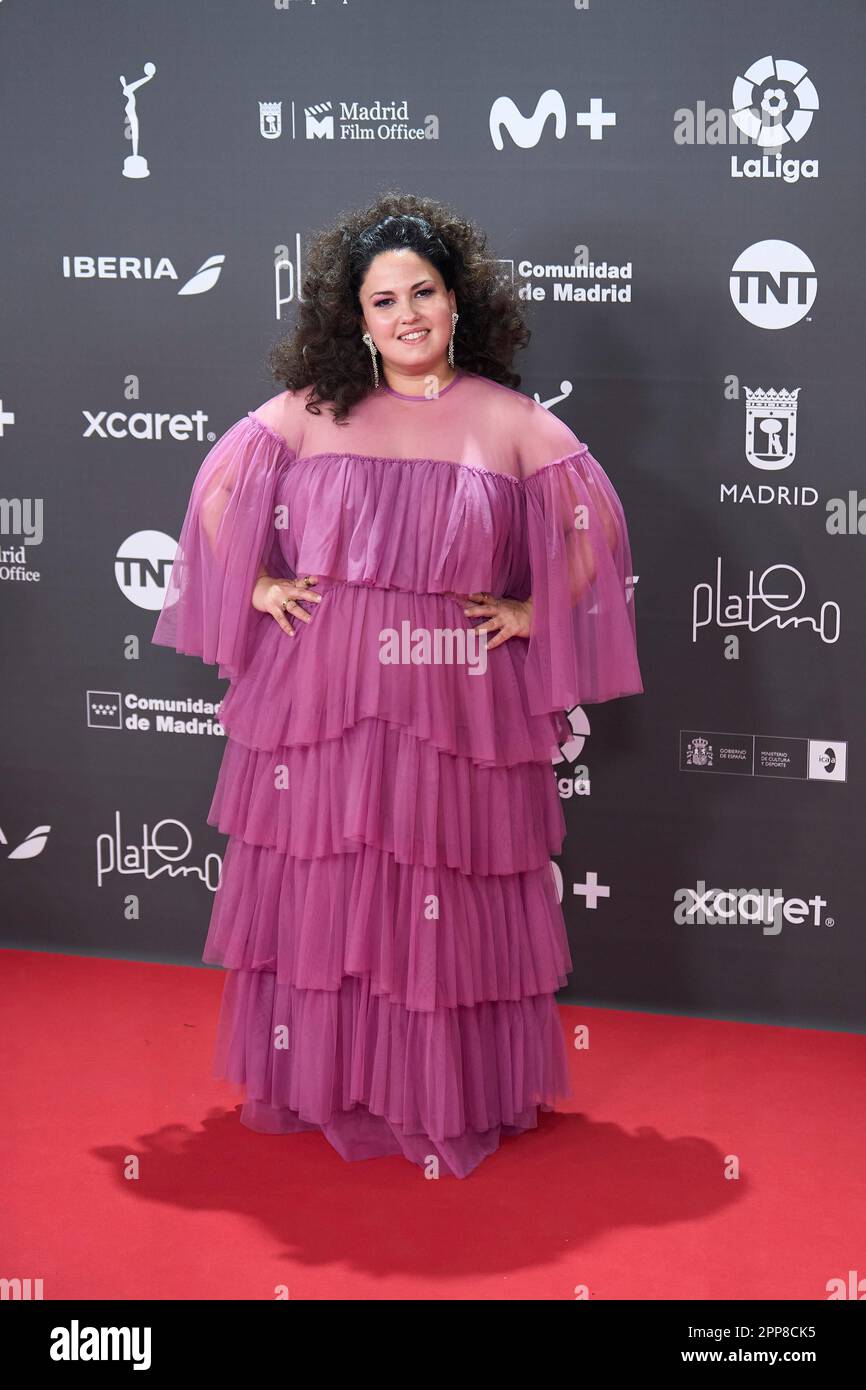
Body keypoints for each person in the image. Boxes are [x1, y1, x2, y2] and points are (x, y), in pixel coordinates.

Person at [152, 191, 643, 1179]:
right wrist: (255, 582)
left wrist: (532, 615)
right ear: (357, 318)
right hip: (323, 692)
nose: (407, 313)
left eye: (423, 290)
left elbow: (591, 533)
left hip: (453, 697)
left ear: (459, 303)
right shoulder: (309, 411)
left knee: (437, 888)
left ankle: (436, 1089)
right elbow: (215, 494)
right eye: (384, 300)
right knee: (330, 882)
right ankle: (326, 1080)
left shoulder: (508, 422)